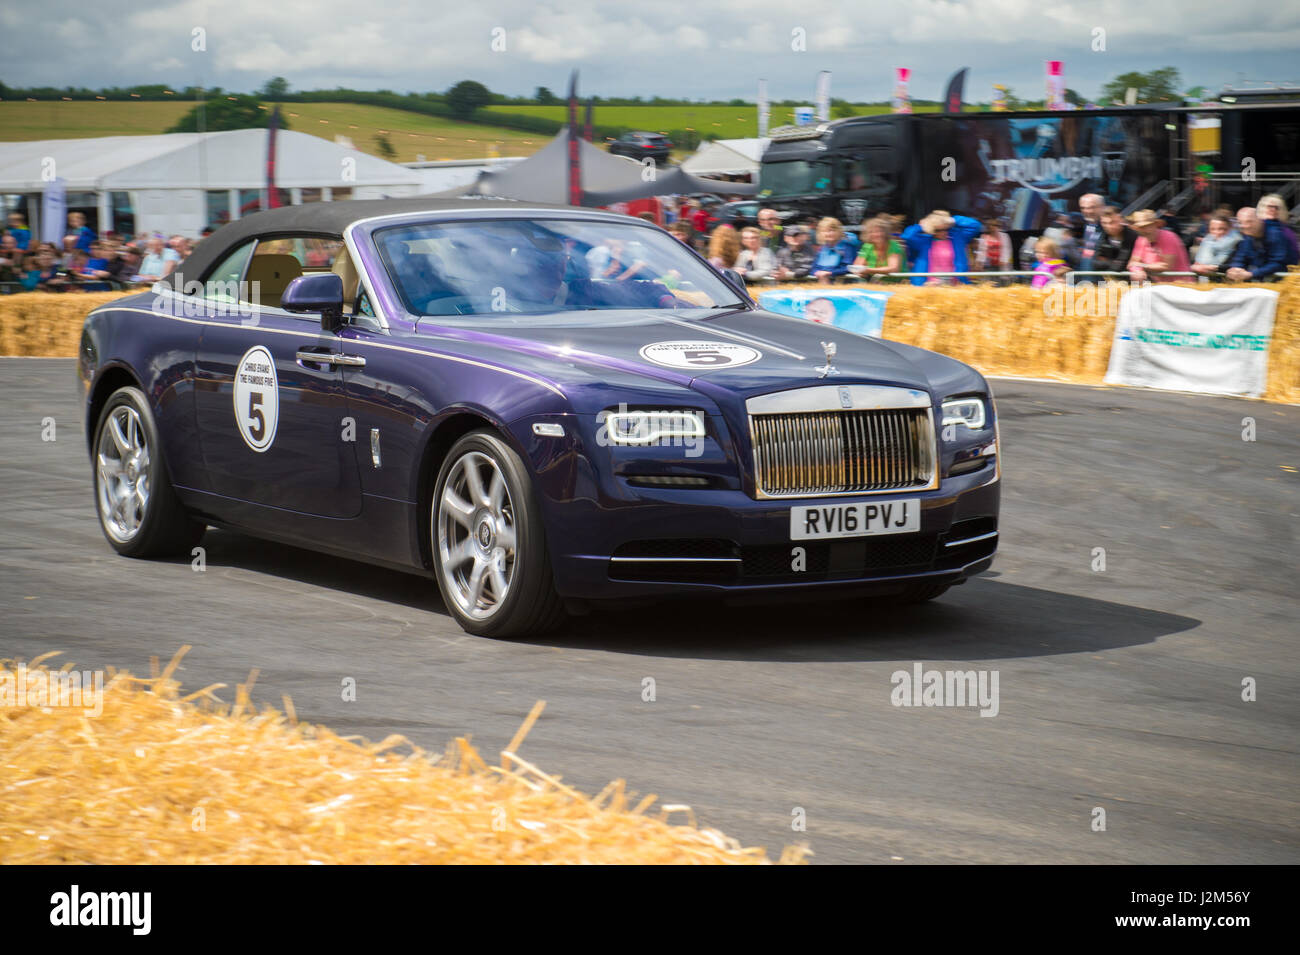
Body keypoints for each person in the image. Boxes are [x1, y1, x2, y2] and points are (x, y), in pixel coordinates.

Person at [902, 210, 982, 285]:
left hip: (955, 285)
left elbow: (975, 225)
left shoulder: (958, 238)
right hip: (929, 285)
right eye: (938, 230)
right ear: (932, 229)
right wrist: (921, 226)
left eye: (946, 229)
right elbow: (908, 236)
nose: (943, 232)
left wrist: (952, 220)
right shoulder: (923, 241)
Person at [1225, 206, 1298, 283]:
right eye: (1241, 223)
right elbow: (1240, 257)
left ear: (1260, 219)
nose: (1245, 226)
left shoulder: (1276, 234)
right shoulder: (1247, 237)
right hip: (1260, 279)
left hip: (1283, 280)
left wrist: (1251, 274)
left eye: (1249, 221)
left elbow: (1278, 263)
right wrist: (1236, 269)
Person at [1125, 209, 1190, 283]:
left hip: (1181, 285)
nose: (1145, 229)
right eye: (1141, 227)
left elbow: (1167, 266)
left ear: (1155, 224)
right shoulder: (1141, 240)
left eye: (1148, 225)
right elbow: (1133, 262)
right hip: (1158, 286)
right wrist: (1137, 271)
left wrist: (1142, 266)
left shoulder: (1169, 237)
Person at [852, 216, 904, 281]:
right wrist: (859, 272)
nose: (877, 234)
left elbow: (893, 268)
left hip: (896, 284)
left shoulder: (893, 245)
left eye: (880, 231)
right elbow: (857, 266)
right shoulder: (867, 246)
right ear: (868, 234)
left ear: (885, 232)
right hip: (873, 284)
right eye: (872, 232)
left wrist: (868, 270)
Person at [1189, 214, 1240, 278]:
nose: (1217, 232)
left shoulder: (1236, 244)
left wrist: (1208, 267)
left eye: (1222, 229)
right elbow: (1196, 263)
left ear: (1229, 229)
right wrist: (1194, 267)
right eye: (1213, 229)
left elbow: (1234, 265)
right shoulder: (1207, 242)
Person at [810, 218, 857, 284]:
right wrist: (817, 272)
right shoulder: (822, 248)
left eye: (832, 230)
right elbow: (814, 267)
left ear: (839, 231)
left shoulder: (848, 247)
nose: (829, 233)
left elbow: (848, 267)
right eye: (825, 231)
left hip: (843, 283)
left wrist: (830, 273)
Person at [1090, 207, 1136, 274]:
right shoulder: (1100, 237)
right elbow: (1095, 263)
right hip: (1106, 280)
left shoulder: (1133, 237)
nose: (1108, 226)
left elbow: (1121, 265)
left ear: (1121, 220)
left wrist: (1106, 261)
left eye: (1112, 222)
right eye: (1104, 223)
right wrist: (1112, 263)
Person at [1256, 194, 1299, 263]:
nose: (1273, 210)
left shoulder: (1287, 232)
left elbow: (1293, 257)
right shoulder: (1256, 227)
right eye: (1269, 206)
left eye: (1277, 207)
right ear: (1262, 208)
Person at [1077, 193, 1105, 268]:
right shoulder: (1083, 225)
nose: (1087, 211)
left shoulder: (1109, 227)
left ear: (1102, 207)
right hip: (1083, 274)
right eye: (1083, 208)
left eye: (1091, 207)